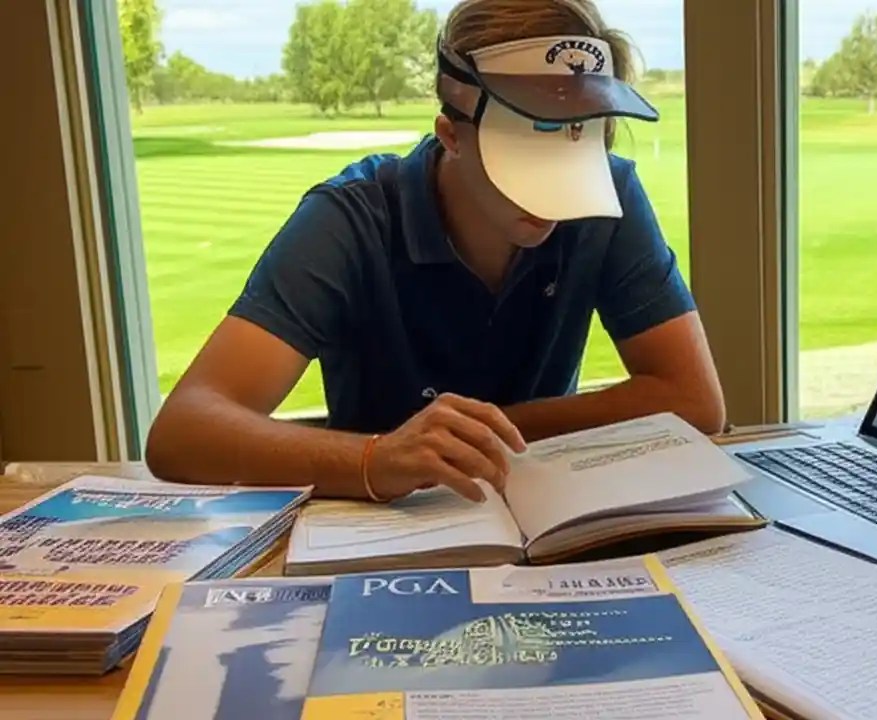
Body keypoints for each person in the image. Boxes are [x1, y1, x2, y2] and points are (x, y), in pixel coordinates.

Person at [145, 0, 725, 505]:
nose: (555, 198)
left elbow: (695, 401)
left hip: (547, 518)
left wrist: (485, 433)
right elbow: (185, 431)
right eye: (524, 155)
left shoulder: (609, 196)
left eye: (576, 149)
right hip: (384, 535)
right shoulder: (352, 219)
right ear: (451, 135)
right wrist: (377, 459)